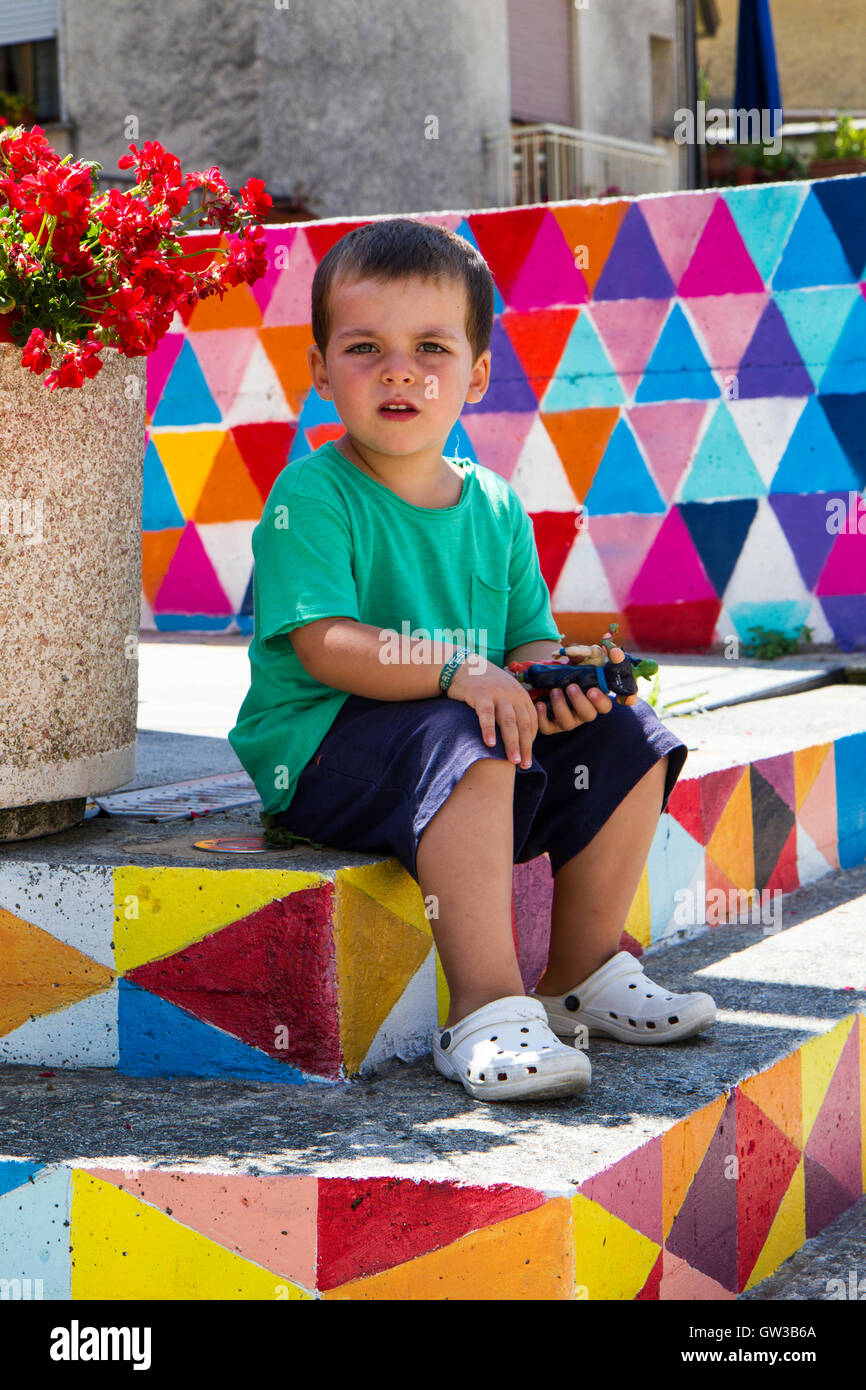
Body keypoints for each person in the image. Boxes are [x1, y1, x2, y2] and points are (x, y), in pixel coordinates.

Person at [228, 217, 716, 1103]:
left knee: (629, 735)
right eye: (365, 347)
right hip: (328, 758)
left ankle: (578, 975)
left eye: (431, 348)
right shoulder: (314, 494)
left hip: (464, 750)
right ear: (320, 370)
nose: (400, 370)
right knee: (469, 729)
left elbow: (524, 644)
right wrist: (461, 673)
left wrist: (562, 678)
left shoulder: (495, 506)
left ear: (478, 374)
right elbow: (325, 644)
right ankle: (485, 1009)